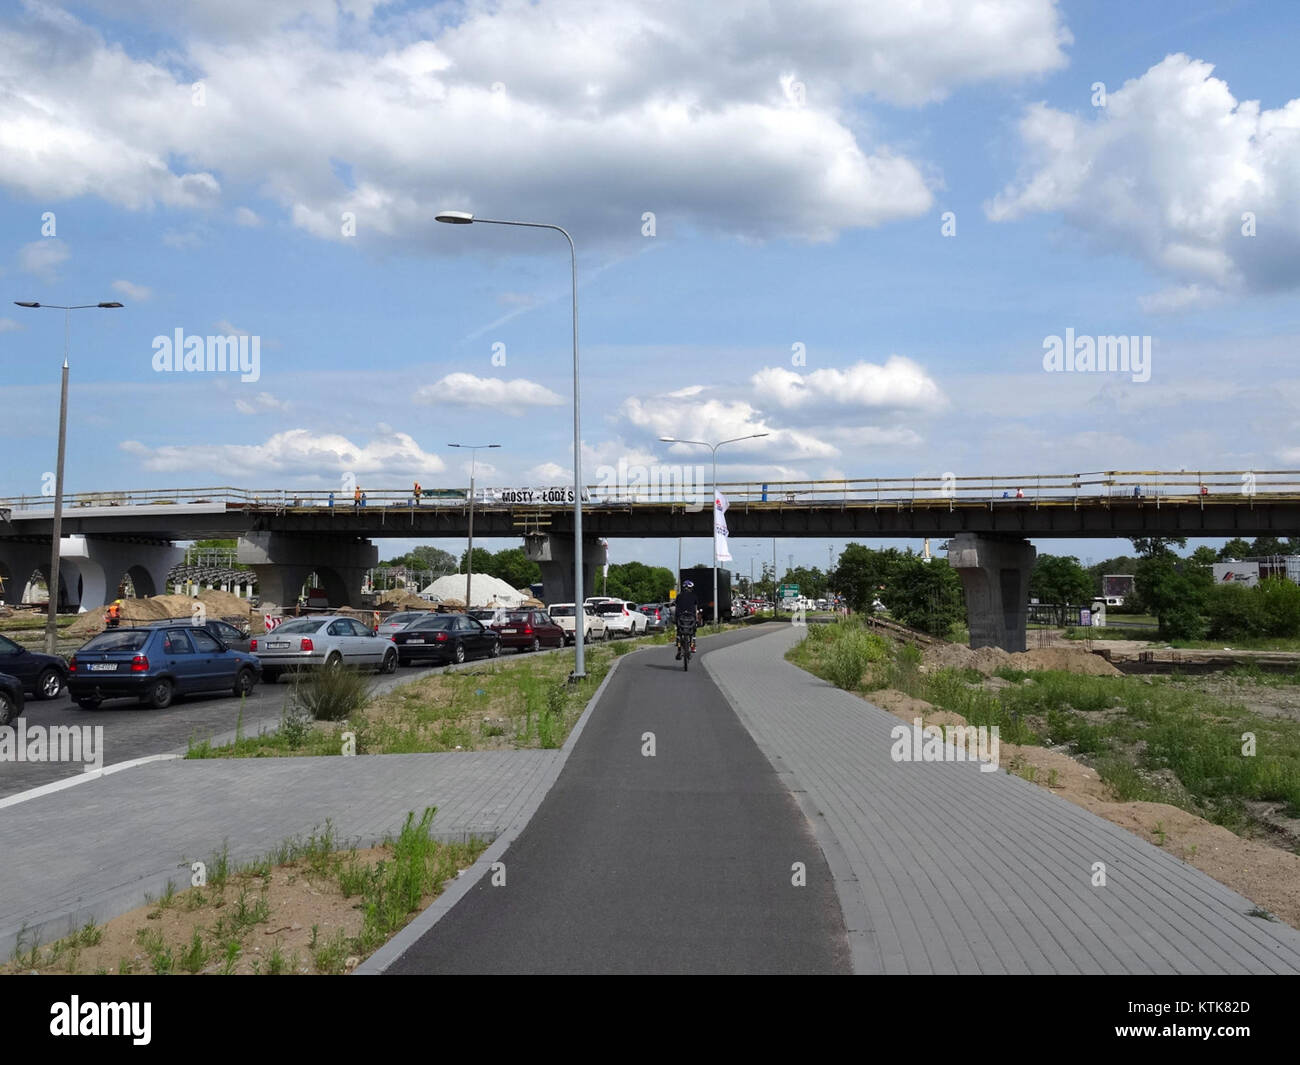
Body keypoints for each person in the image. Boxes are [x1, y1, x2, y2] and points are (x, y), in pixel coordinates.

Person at [674, 580, 701, 660]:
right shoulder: (694, 596)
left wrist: (675, 619)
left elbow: (676, 608)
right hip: (691, 617)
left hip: (681, 618)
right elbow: (696, 608)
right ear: (691, 588)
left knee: (679, 633)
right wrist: (697, 620)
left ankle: (679, 650)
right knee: (693, 631)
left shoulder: (679, 596)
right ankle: (693, 646)